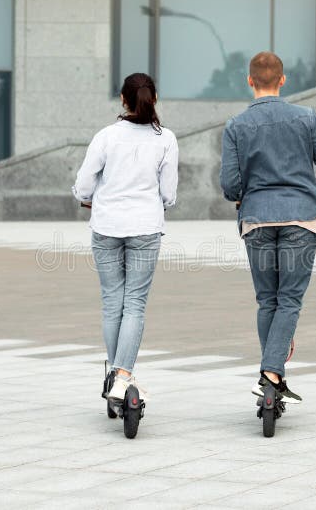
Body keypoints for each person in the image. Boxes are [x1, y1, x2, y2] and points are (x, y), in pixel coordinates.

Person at [220, 52, 316, 404]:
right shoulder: (307, 117)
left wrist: (243, 197)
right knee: (288, 300)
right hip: (300, 216)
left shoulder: (236, 125)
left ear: (250, 80)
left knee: (267, 300)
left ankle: (271, 378)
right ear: (283, 80)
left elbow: (229, 183)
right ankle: (271, 373)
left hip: (256, 218)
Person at [73, 72, 178, 402]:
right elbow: (169, 194)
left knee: (111, 302)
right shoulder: (166, 139)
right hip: (145, 227)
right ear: (155, 99)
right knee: (134, 303)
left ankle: (116, 374)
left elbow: (85, 184)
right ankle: (122, 376)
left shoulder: (106, 136)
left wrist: (87, 196)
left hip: (106, 226)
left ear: (122, 99)